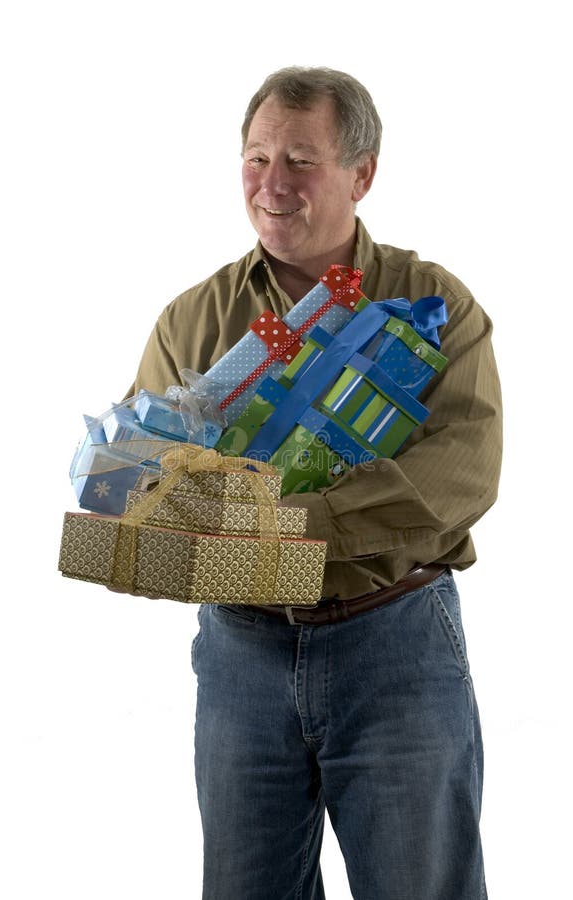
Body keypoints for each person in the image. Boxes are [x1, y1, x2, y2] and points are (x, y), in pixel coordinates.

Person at [129, 67, 502, 900]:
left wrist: (283, 520)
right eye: (256, 157)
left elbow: (460, 472)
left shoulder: (432, 304)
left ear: (361, 173)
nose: (272, 184)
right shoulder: (193, 318)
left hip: (393, 639)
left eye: (301, 159)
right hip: (241, 651)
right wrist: (142, 506)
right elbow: (146, 484)